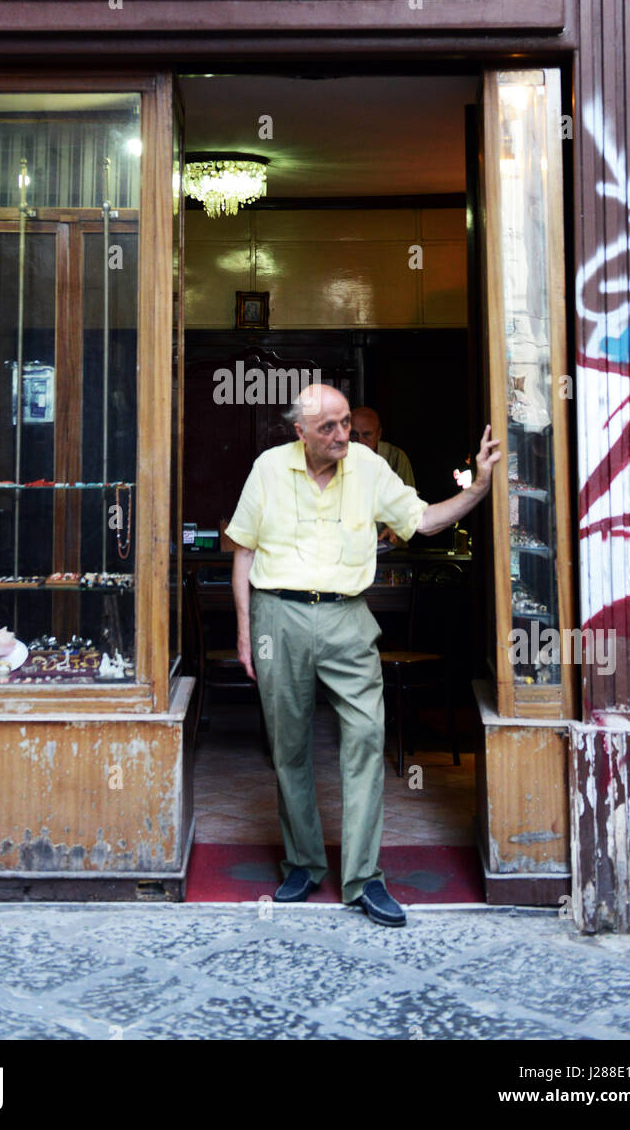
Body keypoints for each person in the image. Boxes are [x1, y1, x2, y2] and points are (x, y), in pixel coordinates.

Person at [225, 383, 500, 928]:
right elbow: (245, 549)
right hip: (277, 615)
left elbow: (421, 520)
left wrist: (480, 489)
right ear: (299, 430)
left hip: (349, 618)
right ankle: (302, 862)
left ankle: (363, 878)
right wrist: (244, 628)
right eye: (327, 427)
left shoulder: (370, 468)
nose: (341, 435)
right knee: (288, 745)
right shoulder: (268, 468)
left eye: (346, 423)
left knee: (367, 739)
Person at [351, 404, 415, 546]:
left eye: (367, 435)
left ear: (379, 434)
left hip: (389, 551)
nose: (360, 441)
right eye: (353, 434)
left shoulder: (396, 458)